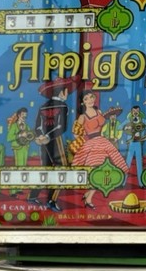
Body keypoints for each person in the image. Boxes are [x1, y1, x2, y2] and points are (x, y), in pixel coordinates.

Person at [70, 90, 128, 208]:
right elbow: (75, 134)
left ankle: (88, 195)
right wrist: (84, 140)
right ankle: (89, 198)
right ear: (82, 102)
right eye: (86, 99)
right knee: (96, 172)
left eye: (91, 97)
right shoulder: (82, 117)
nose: (90, 100)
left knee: (106, 169)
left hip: (103, 142)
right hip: (91, 144)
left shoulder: (99, 111)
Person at [29, 76, 79, 211]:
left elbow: (37, 126)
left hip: (43, 142)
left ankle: (33, 196)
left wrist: (41, 137)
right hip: (54, 140)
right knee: (62, 169)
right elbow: (61, 127)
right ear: (62, 92)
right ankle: (51, 200)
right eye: (66, 91)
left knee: (45, 168)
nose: (67, 94)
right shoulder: (63, 106)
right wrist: (48, 136)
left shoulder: (43, 106)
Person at [122, 105, 146, 186]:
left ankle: (141, 184)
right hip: (131, 143)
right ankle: (123, 183)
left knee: (139, 163)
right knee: (127, 163)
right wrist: (126, 128)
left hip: (138, 143)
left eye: (137, 111)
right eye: (134, 111)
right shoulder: (128, 120)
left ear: (139, 112)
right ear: (132, 112)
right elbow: (120, 127)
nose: (136, 112)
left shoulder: (142, 120)